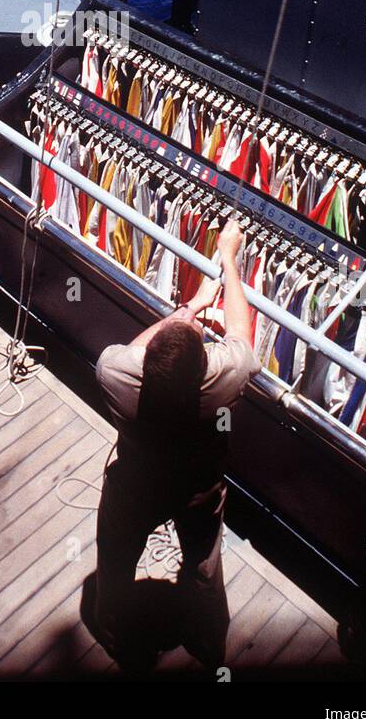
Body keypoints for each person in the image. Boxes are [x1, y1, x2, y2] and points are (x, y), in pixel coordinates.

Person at [93, 218, 259, 671]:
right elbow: (243, 337)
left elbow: (135, 349)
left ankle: (113, 632)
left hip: (135, 483)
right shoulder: (222, 383)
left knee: (114, 555)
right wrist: (229, 259)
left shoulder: (115, 375)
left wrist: (187, 308)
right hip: (197, 488)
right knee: (204, 564)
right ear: (204, 364)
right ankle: (209, 642)